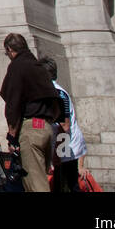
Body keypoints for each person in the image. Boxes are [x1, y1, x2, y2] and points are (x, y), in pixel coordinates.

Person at [0, 33, 62, 192]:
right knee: (40, 178)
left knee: (36, 185)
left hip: (31, 129)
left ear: (10, 49)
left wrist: (12, 136)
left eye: (7, 53)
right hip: (46, 128)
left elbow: (14, 103)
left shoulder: (17, 66)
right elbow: (55, 100)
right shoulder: (38, 67)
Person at [41, 57, 86, 192]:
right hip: (62, 143)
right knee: (62, 184)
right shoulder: (52, 91)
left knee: (67, 184)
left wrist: (57, 154)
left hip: (65, 143)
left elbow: (64, 126)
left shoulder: (58, 93)